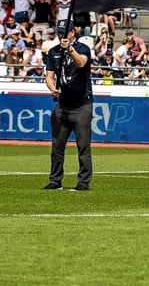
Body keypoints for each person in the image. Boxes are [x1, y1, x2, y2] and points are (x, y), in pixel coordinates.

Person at [43, 22, 93, 191]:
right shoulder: (53, 52)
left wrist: (70, 49)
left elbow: (81, 63)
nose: (61, 36)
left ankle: (83, 182)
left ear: (72, 32)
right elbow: (49, 76)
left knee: (83, 146)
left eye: (65, 32)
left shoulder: (83, 48)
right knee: (57, 146)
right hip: (62, 104)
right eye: (59, 33)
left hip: (81, 105)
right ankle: (55, 180)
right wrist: (52, 88)